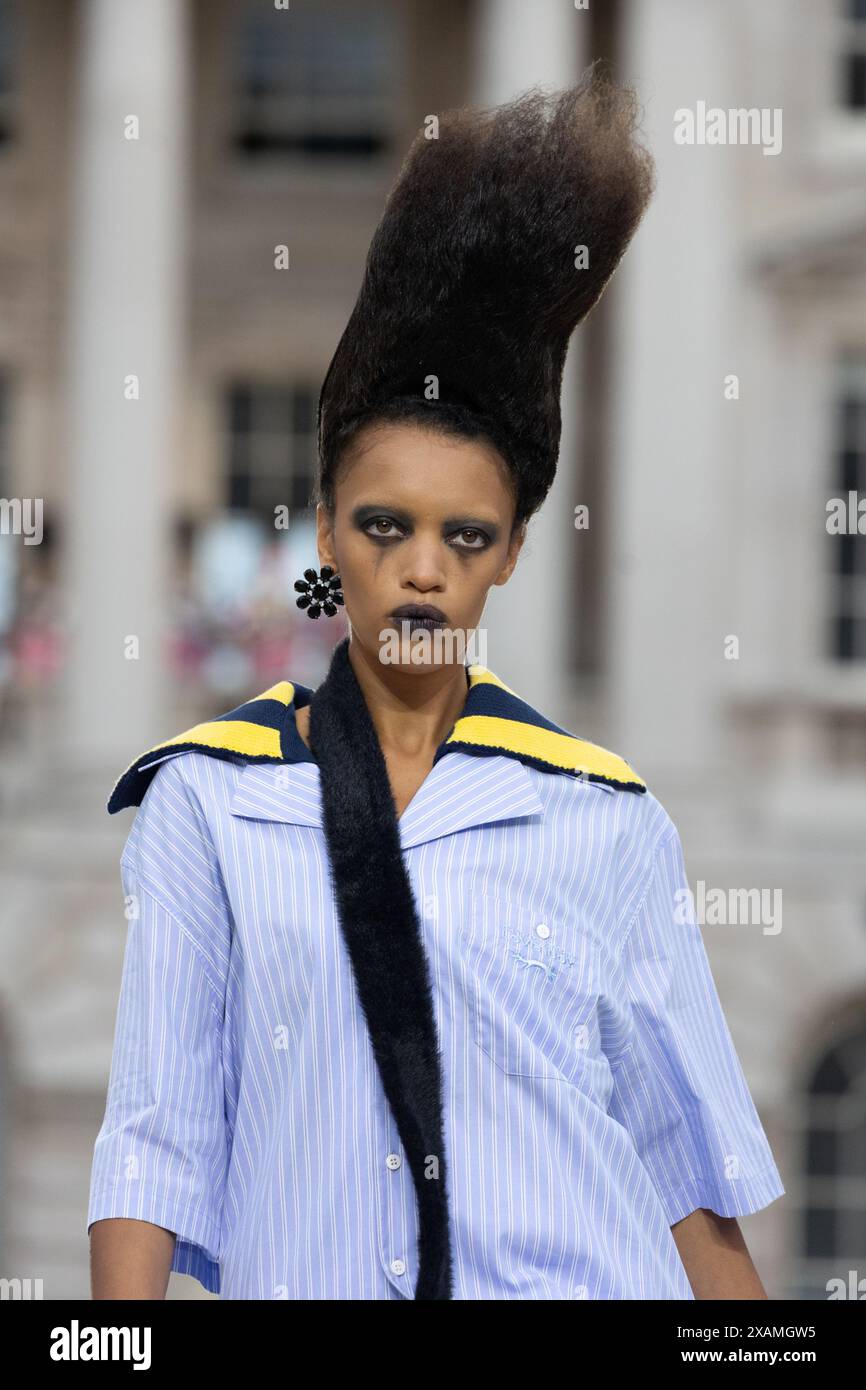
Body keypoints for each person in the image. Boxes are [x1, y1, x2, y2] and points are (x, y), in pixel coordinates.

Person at [87, 64, 784, 1300]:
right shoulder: (206, 800)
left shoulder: (608, 820)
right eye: (382, 526)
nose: (420, 571)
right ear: (324, 534)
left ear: (510, 552)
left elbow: (691, 1179)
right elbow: (154, 1141)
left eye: (464, 537)